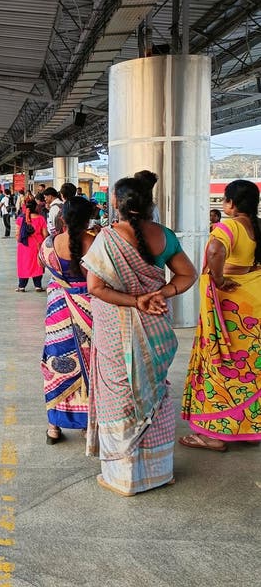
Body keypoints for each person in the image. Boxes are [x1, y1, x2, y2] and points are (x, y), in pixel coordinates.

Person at [83, 177, 197, 496]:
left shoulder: (106, 238)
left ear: (116, 204)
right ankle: (158, 473)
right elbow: (188, 274)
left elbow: (95, 288)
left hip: (116, 330)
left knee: (120, 396)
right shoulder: (164, 236)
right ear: (150, 203)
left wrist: (135, 300)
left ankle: (122, 476)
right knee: (155, 393)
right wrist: (161, 292)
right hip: (156, 326)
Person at [180, 179, 261, 450]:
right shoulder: (257, 227)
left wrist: (219, 278)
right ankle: (246, 426)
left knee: (219, 361)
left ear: (232, 203)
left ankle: (213, 435)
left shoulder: (229, 226)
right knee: (248, 368)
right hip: (253, 305)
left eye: (225, 200)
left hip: (229, 308)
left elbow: (215, 250)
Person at [39, 197, 95, 443]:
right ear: (88, 219)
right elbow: (98, 279)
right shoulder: (94, 243)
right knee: (90, 362)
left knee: (56, 361)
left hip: (58, 310)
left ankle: (53, 427)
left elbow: (44, 266)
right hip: (89, 311)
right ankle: (87, 424)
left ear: (62, 218)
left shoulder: (49, 244)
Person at [15, 197, 48, 291]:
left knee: (23, 264)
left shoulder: (20, 219)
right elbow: (45, 234)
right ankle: (38, 286)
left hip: (24, 246)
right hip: (37, 245)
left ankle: (21, 286)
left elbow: (17, 234)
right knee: (37, 264)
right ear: (36, 207)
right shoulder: (41, 219)